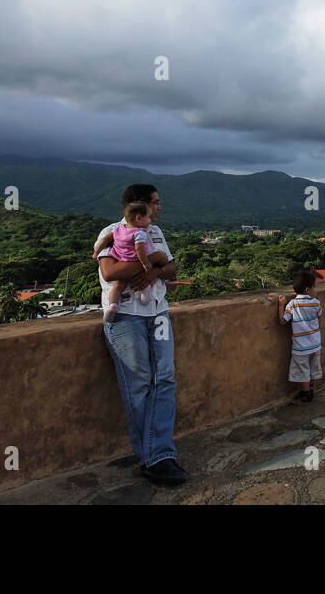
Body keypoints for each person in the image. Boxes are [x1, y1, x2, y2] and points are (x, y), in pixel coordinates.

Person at [96, 184, 188, 485]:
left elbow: (172, 268)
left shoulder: (156, 232)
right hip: (125, 317)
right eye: (155, 203)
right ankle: (156, 457)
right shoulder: (112, 232)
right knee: (138, 384)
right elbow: (110, 272)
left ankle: (158, 454)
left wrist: (156, 271)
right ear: (139, 207)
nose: (159, 208)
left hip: (157, 313)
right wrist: (151, 263)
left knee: (165, 379)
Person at [93, 201, 154, 322]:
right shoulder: (139, 233)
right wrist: (146, 263)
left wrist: (96, 253)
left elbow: (105, 239)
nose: (150, 221)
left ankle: (112, 306)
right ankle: (144, 298)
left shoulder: (118, 229)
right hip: (133, 264)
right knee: (143, 281)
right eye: (148, 217)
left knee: (117, 287)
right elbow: (139, 249)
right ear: (138, 218)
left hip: (120, 261)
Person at [278, 269, 323, 404]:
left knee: (303, 371)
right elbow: (319, 314)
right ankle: (310, 389)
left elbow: (283, 321)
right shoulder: (316, 303)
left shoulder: (292, 304)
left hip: (301, 346)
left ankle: (305, 394)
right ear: (308, 290)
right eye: (314, 287)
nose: (315, 290)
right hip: (315, 343)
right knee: (312, 368)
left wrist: (281, 305)